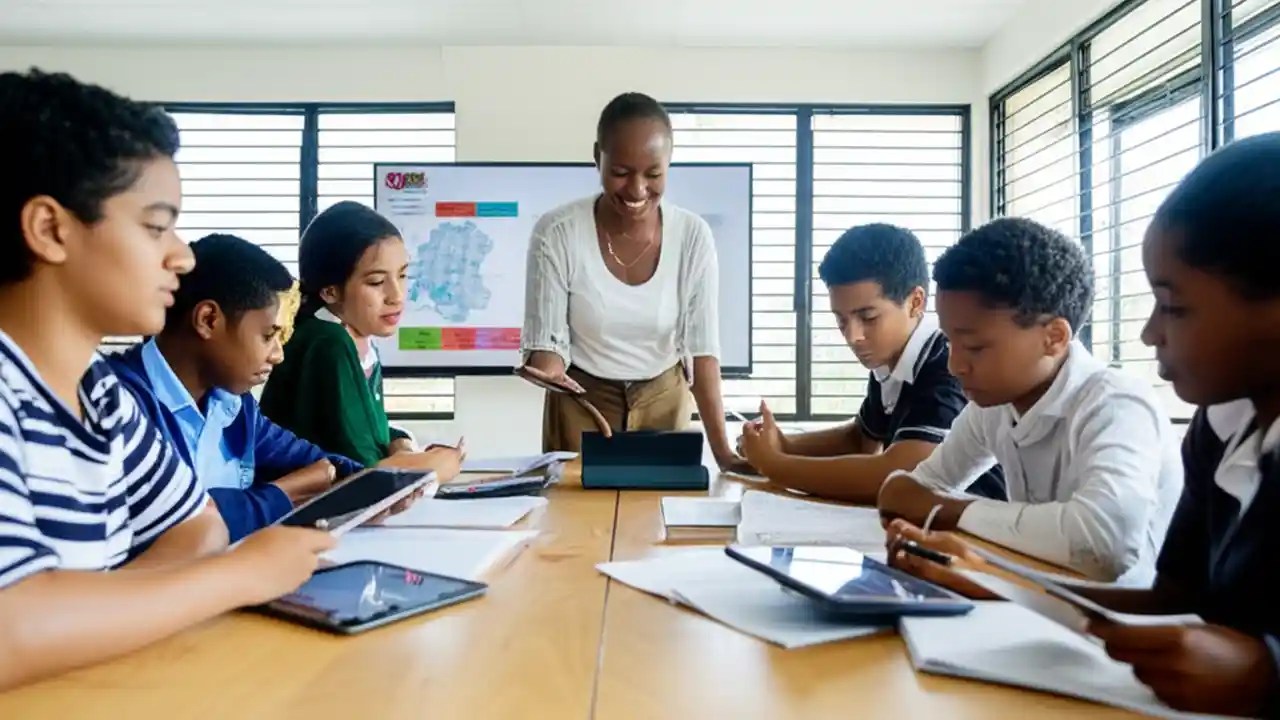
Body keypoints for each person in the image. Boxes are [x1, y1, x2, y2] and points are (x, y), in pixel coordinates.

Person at [885, 133, 1280, 717]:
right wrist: (998, 582)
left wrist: (1269, 672)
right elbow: (1171, 599)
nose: (1149, 333)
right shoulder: (1221, 427)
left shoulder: (1118, 405)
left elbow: (1103, 545)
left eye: (1173, 306)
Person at [0, 68, 334, 690]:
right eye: (156, 227)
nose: (181, 257)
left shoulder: (99, 396)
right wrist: (240, 575)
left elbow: (199, 527)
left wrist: (80, 620)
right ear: (50, 229)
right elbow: (9, 630)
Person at [875, 217, 1183, 584]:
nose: (955, 365)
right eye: (949, 342)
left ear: (1053, 337)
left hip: (1122, 626)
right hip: (1036, 599)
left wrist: (952, 510)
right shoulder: (994, 406)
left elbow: (1104, 544)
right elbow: (905, 492)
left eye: (974, 347)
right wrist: (928, 505)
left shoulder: (1117, 405)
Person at [110, 234, 446, 542]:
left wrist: (377, 491)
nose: (278, 354)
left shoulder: (234, 405)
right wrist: (287, 490)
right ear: (208, 320)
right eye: (269, 335)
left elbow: (319, 464)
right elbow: (179, 522)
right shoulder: (119, 401)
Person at [518, 91, 746, 470]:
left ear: (668, 164)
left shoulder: (692, 236)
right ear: (597, 158)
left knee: (659, 519)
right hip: (582, 402)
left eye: (654, 174)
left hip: (664, 398)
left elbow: (703, 351)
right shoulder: (556, 232)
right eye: (621, 173)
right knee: (575, 519)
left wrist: (724, 453)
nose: (638, 190)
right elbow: (547, 347)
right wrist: (547, 369)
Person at [737, 223, 1004, 503]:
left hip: (981, 536)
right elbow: (861, 438)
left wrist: (774, 465)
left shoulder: (946, 366)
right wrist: (783, 444)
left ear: (916, 302)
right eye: (841, 319)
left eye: (868, 317)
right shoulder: (890, 358)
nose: (853, 336)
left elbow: (897, 473)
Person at [259, 202, 464, 472]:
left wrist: (398, 441)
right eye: (377, 282)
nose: (397, 295)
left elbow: (361, 429)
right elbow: (367, 473)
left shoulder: (354, 332)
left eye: (402, 275)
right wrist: (437, 467)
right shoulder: (328, 342)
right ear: (329, 291)